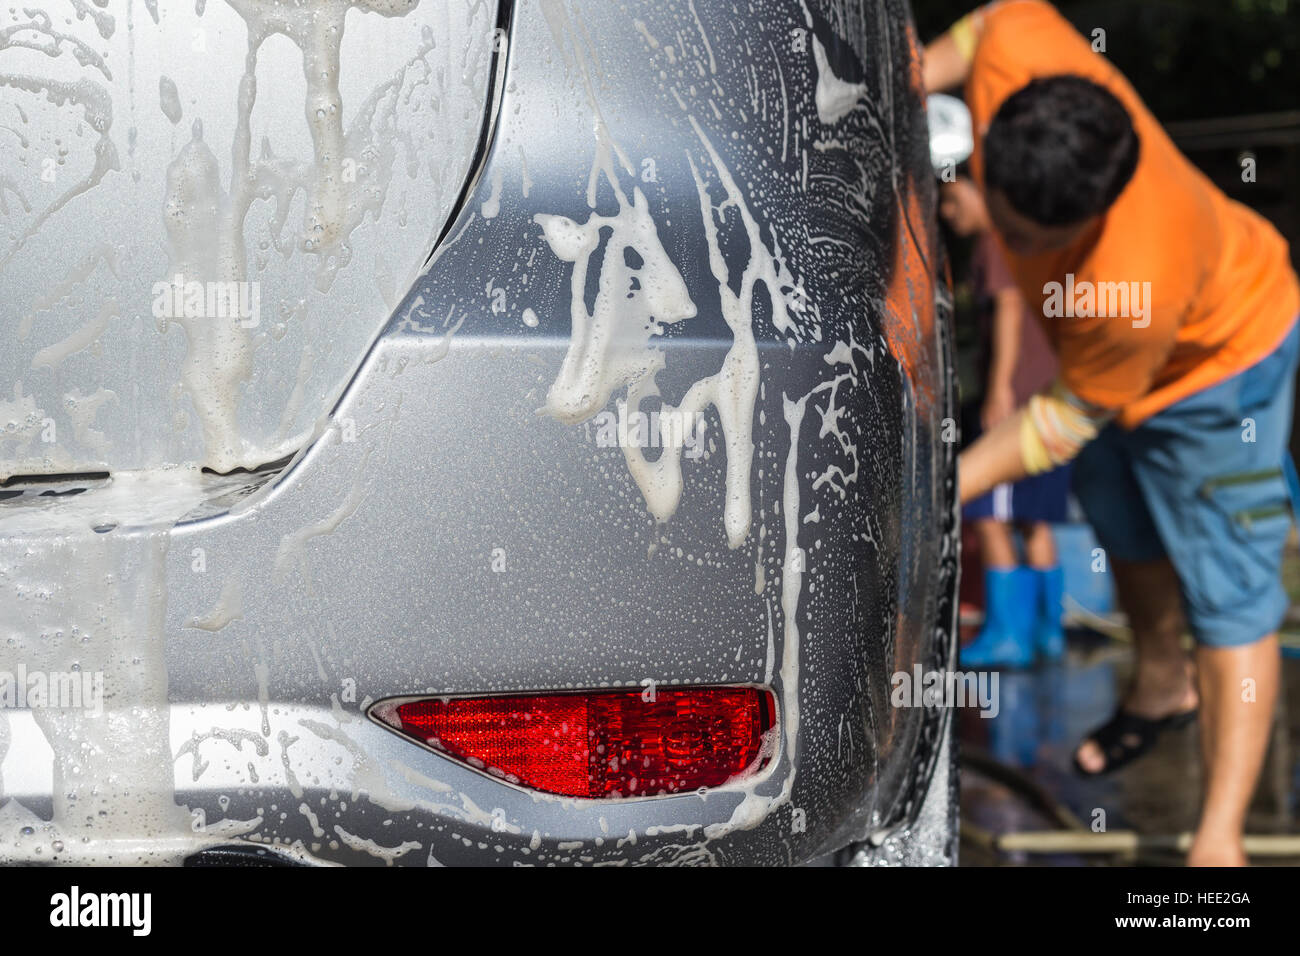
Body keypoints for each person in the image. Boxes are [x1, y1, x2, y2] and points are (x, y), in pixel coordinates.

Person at [924, 0, 1300, 866]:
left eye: (1028, 241)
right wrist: (908, 78)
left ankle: (1220, 839)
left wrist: (935, 497)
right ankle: (1163, 690)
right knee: (1121, 517)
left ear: (1089, 224)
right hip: (1108, 375)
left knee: (1232, 591)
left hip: (1221, 365)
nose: (1005, 245)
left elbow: (1053, 426)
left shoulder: (1133, 273)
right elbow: (986, 29)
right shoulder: (1023, 56)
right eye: (1000, 216)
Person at [938, 167, 1071, 669]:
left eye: (953, 200)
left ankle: (1007, 635)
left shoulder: (995, 242)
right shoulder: (1028, 241)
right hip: (1050, 397)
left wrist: (997, 391)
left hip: (1013, 402)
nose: (948, 213)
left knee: (989, 515)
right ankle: (1047, 634)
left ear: (981, 190)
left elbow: (1011, 310)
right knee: (1036, 520)